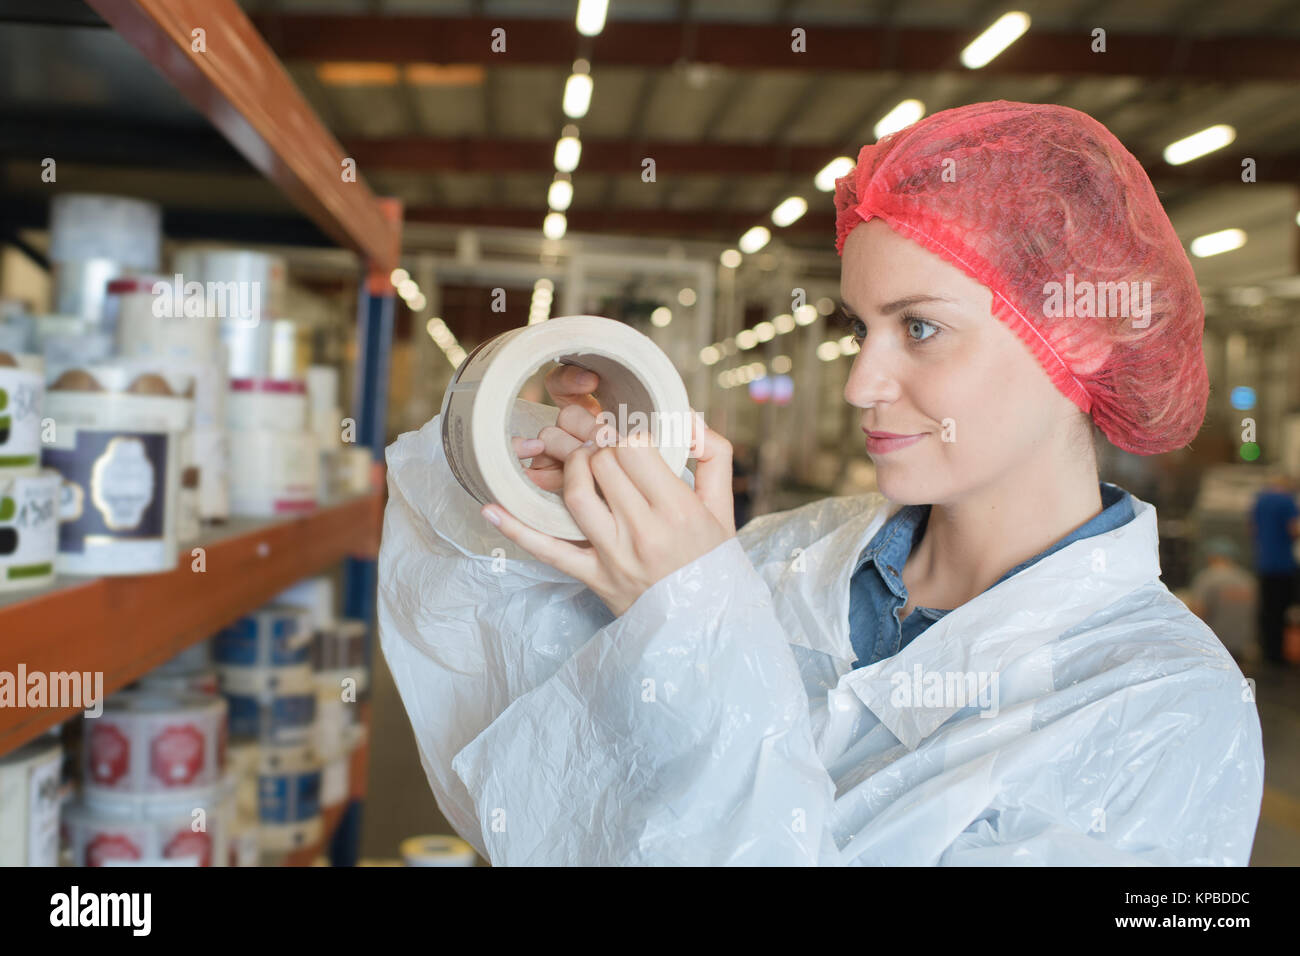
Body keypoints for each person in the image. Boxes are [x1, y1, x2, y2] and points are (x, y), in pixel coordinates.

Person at [379, 101, 1264, 865]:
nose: (859, 384)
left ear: (1082, 336)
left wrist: (695, 630)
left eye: (919, 328)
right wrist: (532, 439)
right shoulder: (788, 557)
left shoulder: (1165, 710)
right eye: (859, 327)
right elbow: (517, 749)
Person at [1250, 471, 1300, 664]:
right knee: (1281, 610)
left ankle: (1267, 651)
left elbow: (1252, 529)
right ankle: (1278, 654)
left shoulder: (1260, 501)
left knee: (1267, 609)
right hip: (1283, 564)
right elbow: (1293, 530)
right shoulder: (1287, 502)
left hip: (1264, 562)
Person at [1188, 537, 1259, 664]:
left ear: (1212, 556)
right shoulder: (1248, 580)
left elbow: (1198, 612)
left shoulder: (1207, 578)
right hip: (1243, 646)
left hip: (1216, 646)